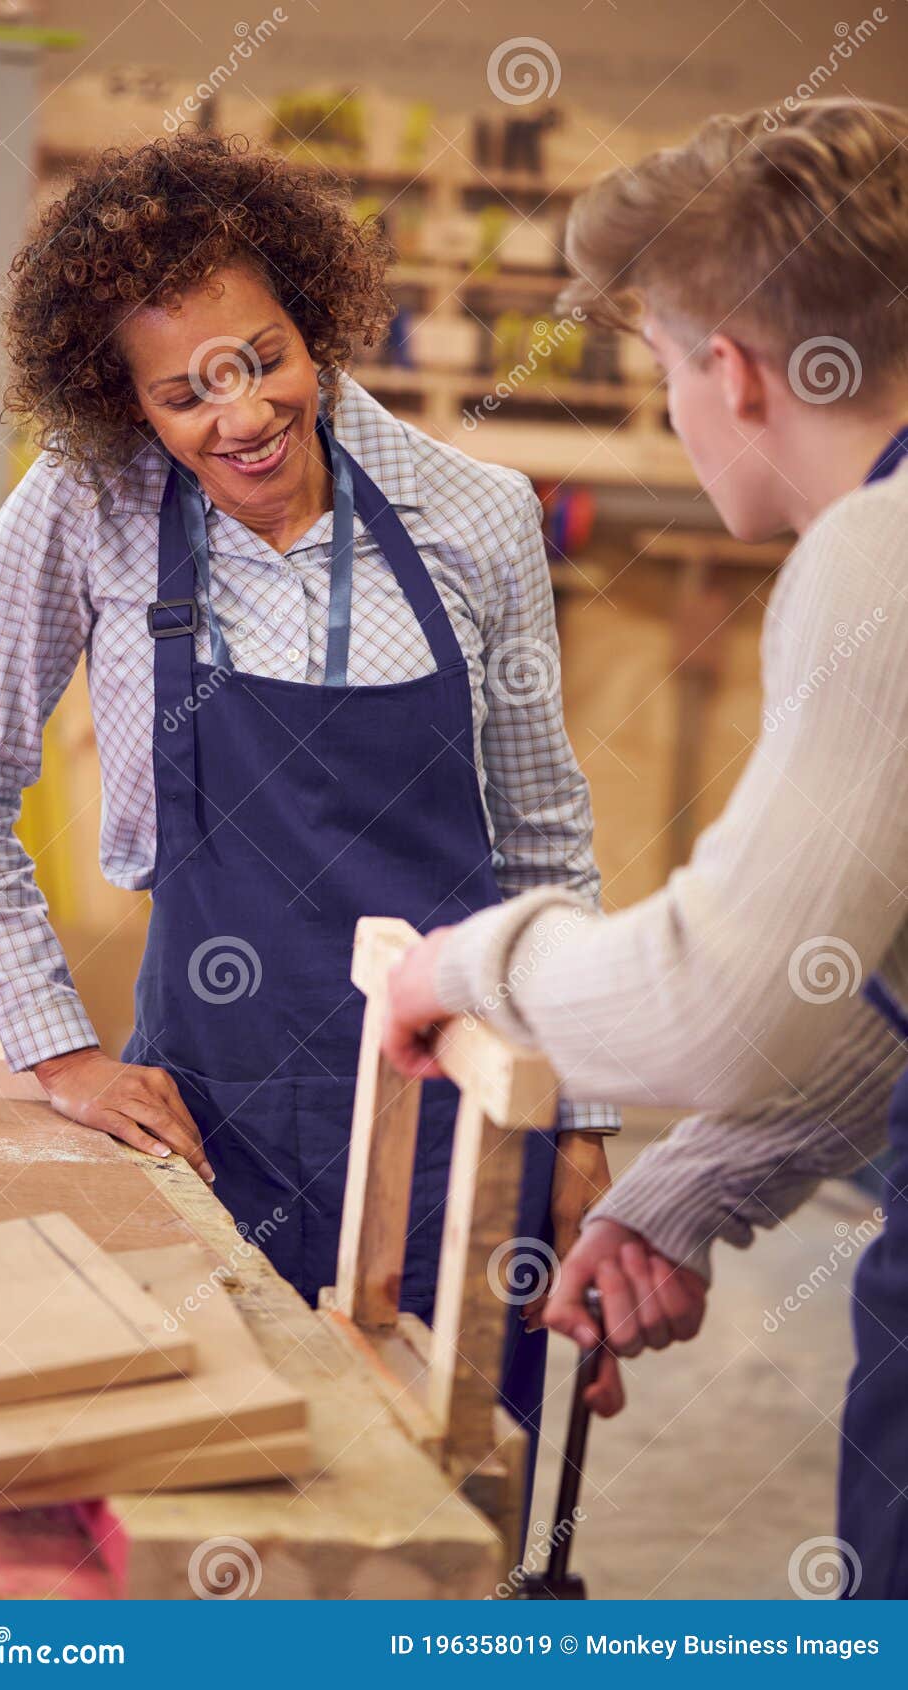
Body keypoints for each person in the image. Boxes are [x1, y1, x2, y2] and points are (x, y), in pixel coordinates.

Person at [0, 129, 617, 1519]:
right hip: (206, 1116)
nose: (240, 416)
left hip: (458, 1138)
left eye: (264, 358)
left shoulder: (473, 517)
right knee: (222, 1510)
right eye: (182, 393)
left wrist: (580, 1122)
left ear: (315, 319)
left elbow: (543, 837)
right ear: (124, 400)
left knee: (439, 1528)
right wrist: (59, 1052)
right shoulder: (90, 503)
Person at [380, 97, 908, 1595]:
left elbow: (718, 1001)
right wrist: (700, 1186)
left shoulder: (877, 557)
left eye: (665, 367)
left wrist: (467, 964)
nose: (676, 405)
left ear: (731, 373)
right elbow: (874, 985)